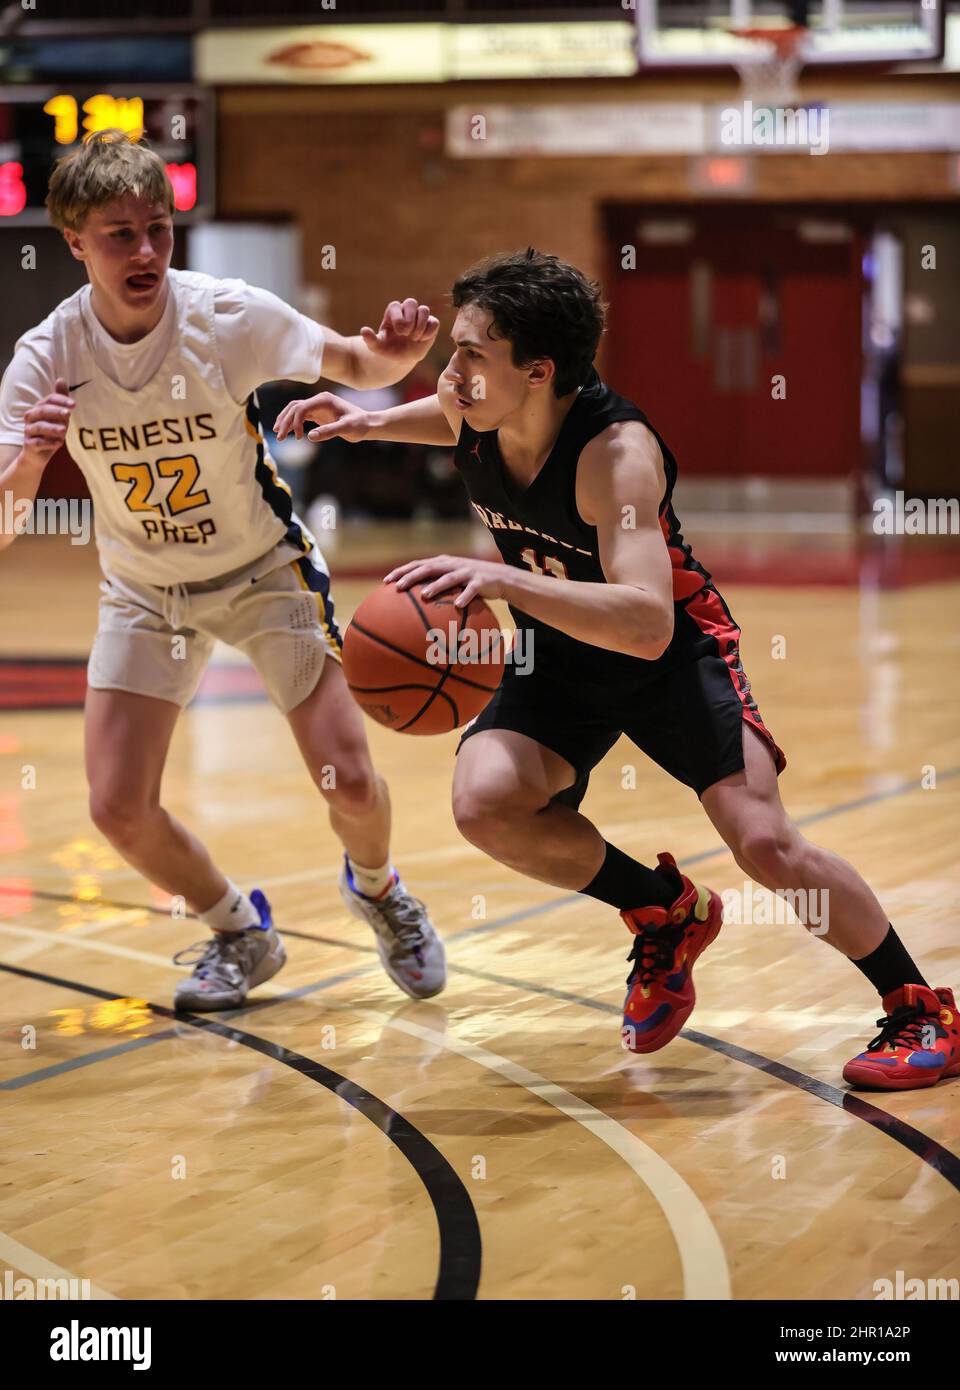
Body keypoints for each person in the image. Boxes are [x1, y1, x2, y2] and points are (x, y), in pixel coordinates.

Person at [274, 248, 959, 1092]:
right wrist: (366, 419)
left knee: (765, 843)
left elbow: (644, 622)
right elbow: (445, 415)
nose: (450, 372)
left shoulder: (616, 455)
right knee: (484, 802)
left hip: (669, 652)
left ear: (538, 373)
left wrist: (499, 578)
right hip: (560, 648)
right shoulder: (480, 410)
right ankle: (664, 913)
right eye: (452, 350)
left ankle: (920, 1007)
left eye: (470, 355)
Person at [0, 129, 447, 1010]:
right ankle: (240, 932)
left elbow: (362, 366)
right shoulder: (45, 358)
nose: (146, 251)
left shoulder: (226, 315)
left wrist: (401, 349)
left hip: (261, 572)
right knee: (117, 810)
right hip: (143, 590)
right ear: (75, 243)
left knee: (350, 779)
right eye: (120, 235)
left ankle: (382, 891)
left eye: (158, 229)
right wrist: (27, 467)